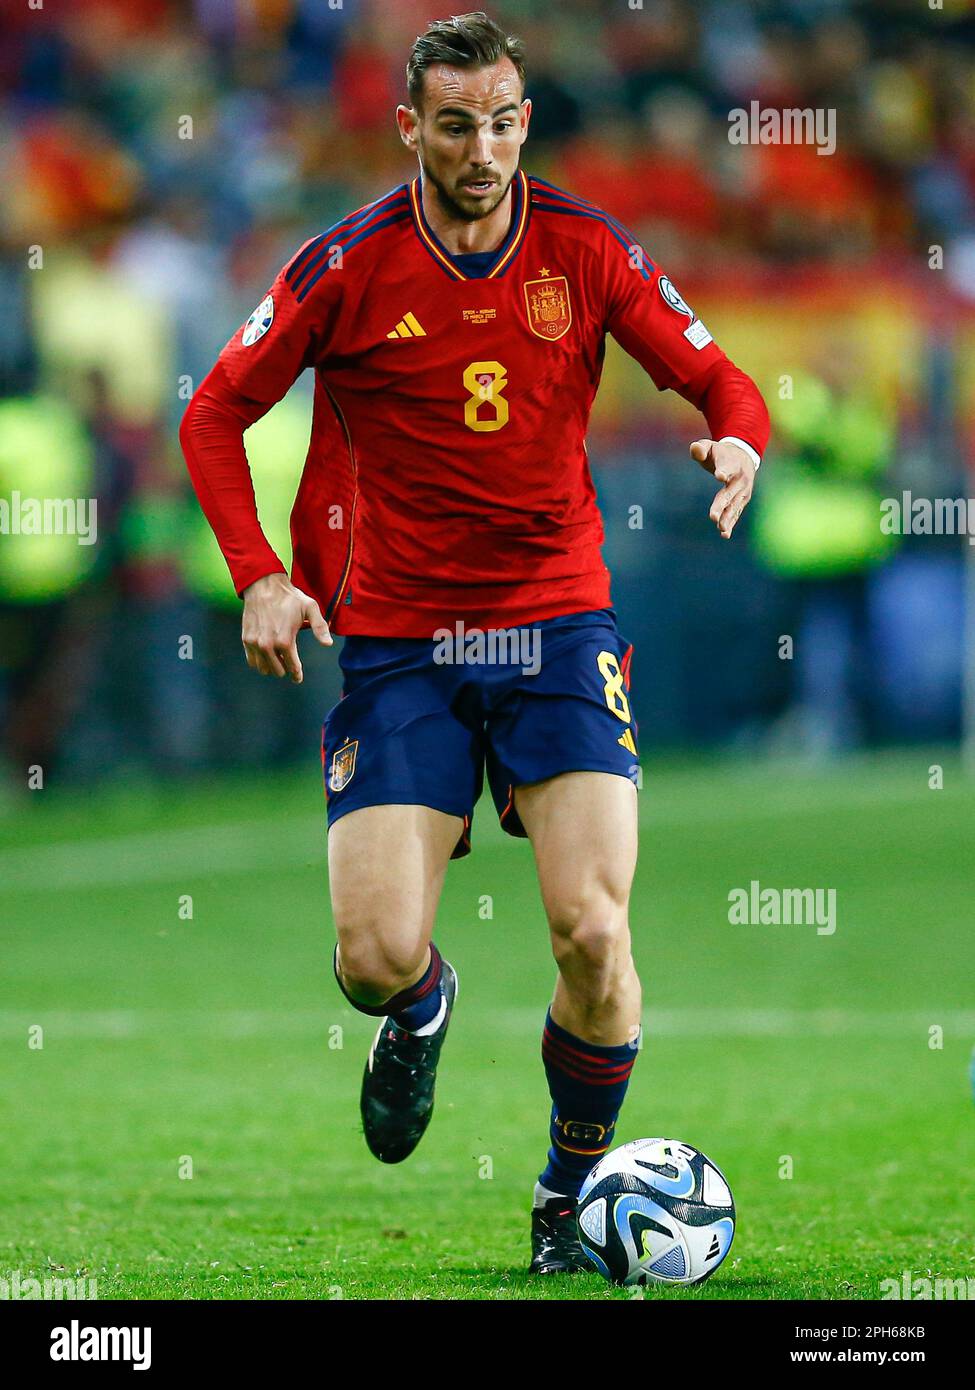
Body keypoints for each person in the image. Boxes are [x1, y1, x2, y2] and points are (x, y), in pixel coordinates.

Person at [179, 11, 769, 1275]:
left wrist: (740, 438)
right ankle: (427, 1004)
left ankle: (566, 1196)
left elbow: (725, 379)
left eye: (504, 120)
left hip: (558, 624)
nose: (485, 147)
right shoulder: (345, 267)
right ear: (410, 127)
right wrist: (262, 578)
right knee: (372, 958)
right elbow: (215, 412)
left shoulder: (588, 249)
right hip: (400, 637)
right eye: (457, 123)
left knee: (595, 935)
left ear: (524, 121)